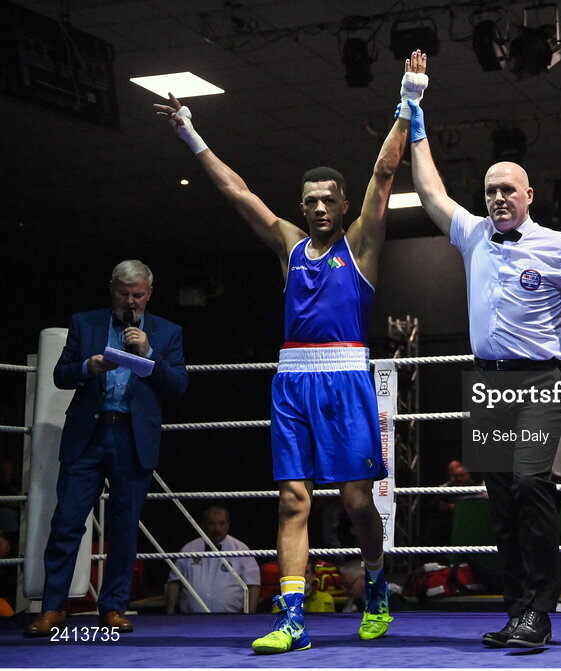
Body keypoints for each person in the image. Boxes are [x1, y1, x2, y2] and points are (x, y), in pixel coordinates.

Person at [155, 51, 427, 652]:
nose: (320, 208)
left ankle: (377, 584)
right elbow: (236, 191)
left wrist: (409, 101)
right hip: (292, 382)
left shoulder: (362, 244)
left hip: (347, 380)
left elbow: (383, 176)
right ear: (302, 207)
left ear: (343, 204)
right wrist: (188, 130)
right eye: (310, 202)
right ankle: (293, 619)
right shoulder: (289, 246)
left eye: (329, 199)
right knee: (292, 499)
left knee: (357, 504)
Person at [407, 97, 561, 648]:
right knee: (501, 501)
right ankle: (518, 610)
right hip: (487, 382)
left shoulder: (559, 246)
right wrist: (417, 115)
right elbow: (430, 192)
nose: (498, 197)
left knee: (529, 483)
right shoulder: (472, 234)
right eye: (491, 190)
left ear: (528, 196)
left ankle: (541, 610)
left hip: (540, 382)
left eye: (507, 190)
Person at [24, 260, 188, 636]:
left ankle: (113, 608)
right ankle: (53, 609)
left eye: (138, 296)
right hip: (89, 435)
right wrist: (87, 367)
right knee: (67, 523)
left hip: (133, 438)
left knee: (124, 528)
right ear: (111, 290)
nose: (130, 302)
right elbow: (60, 375)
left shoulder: (167, 332)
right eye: (124, 294)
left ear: (149, 295)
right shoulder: (85, 323)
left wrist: (148, 354)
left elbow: (178, 386)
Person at [165, 506, 260, 614]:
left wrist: (250, 616)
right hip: (191, 620)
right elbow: (174, 582)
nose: (217, 529)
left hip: (232, 620)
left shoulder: (241, 550)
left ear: (228, 525)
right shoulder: (189, 549)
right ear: (203, 525)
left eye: (221, 523)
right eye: (211, 524)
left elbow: (253, 584)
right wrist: (169, 615)